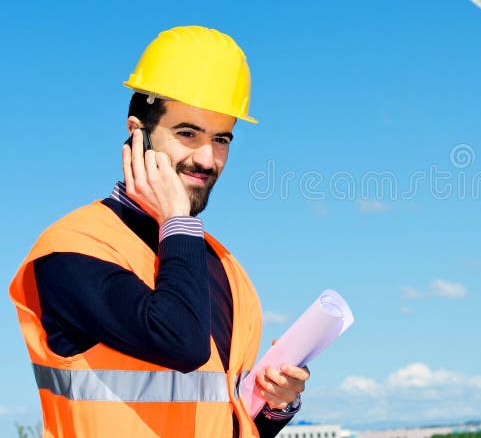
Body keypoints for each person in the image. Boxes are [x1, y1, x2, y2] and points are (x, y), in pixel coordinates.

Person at [9, 25, 309, 438]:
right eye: (187, 133)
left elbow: (222, 421)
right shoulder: (72, 251)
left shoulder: (225, 268)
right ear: (137, 133)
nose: (207, 158)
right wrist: (177, 219)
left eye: (221, 139)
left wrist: (275, 405)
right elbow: (180, 343)